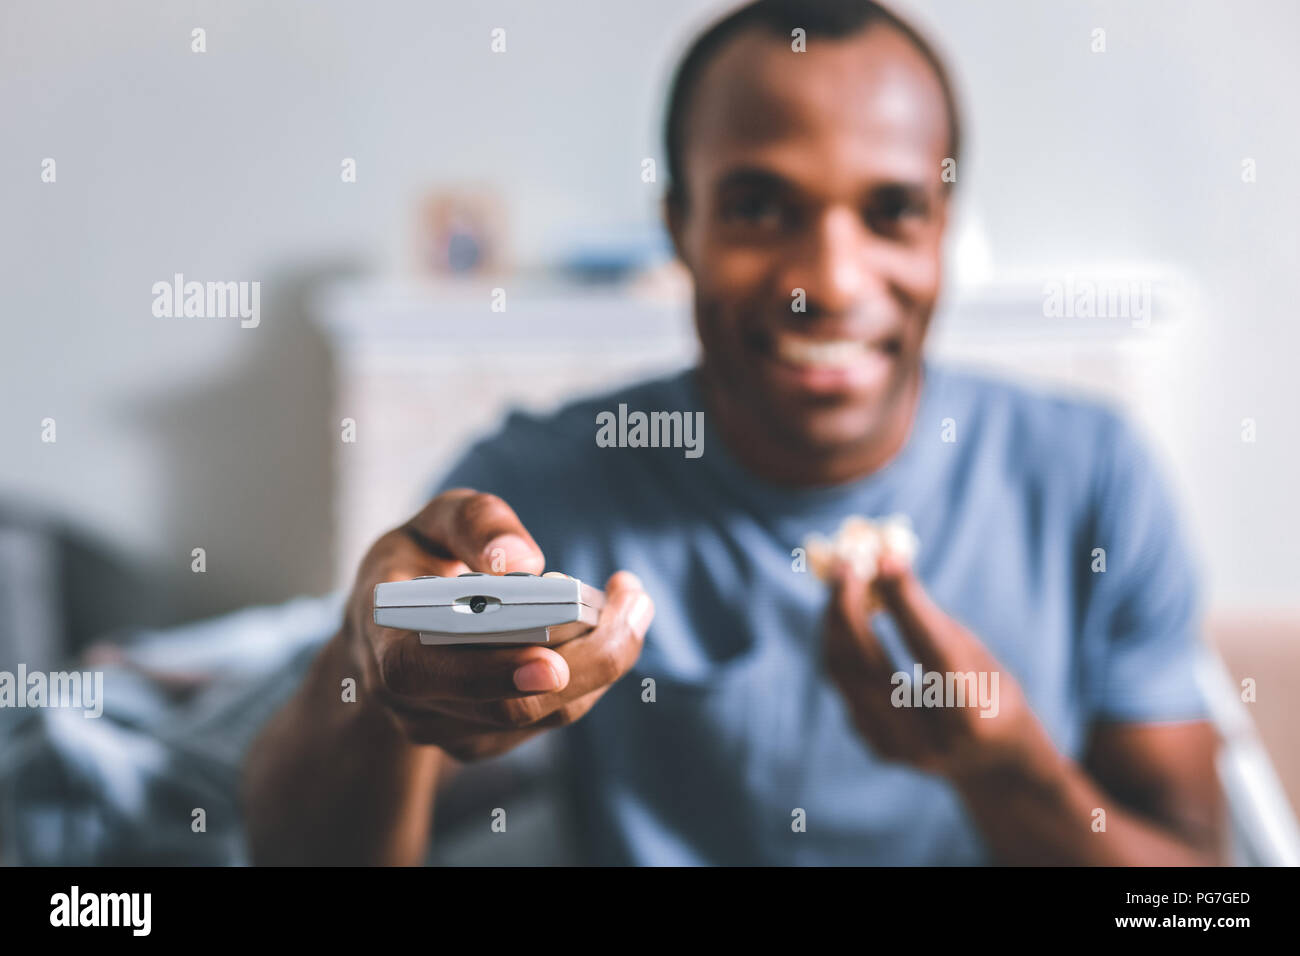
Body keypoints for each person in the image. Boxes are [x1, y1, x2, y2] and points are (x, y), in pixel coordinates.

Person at [242, 0, 1224, 865]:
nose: (830, 283)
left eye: (891, 212)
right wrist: (368, 672)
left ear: (943, 229)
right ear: (681, 226)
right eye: (759, 207)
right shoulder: (540, 489)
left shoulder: (1093, 477)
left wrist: (1006, 769)